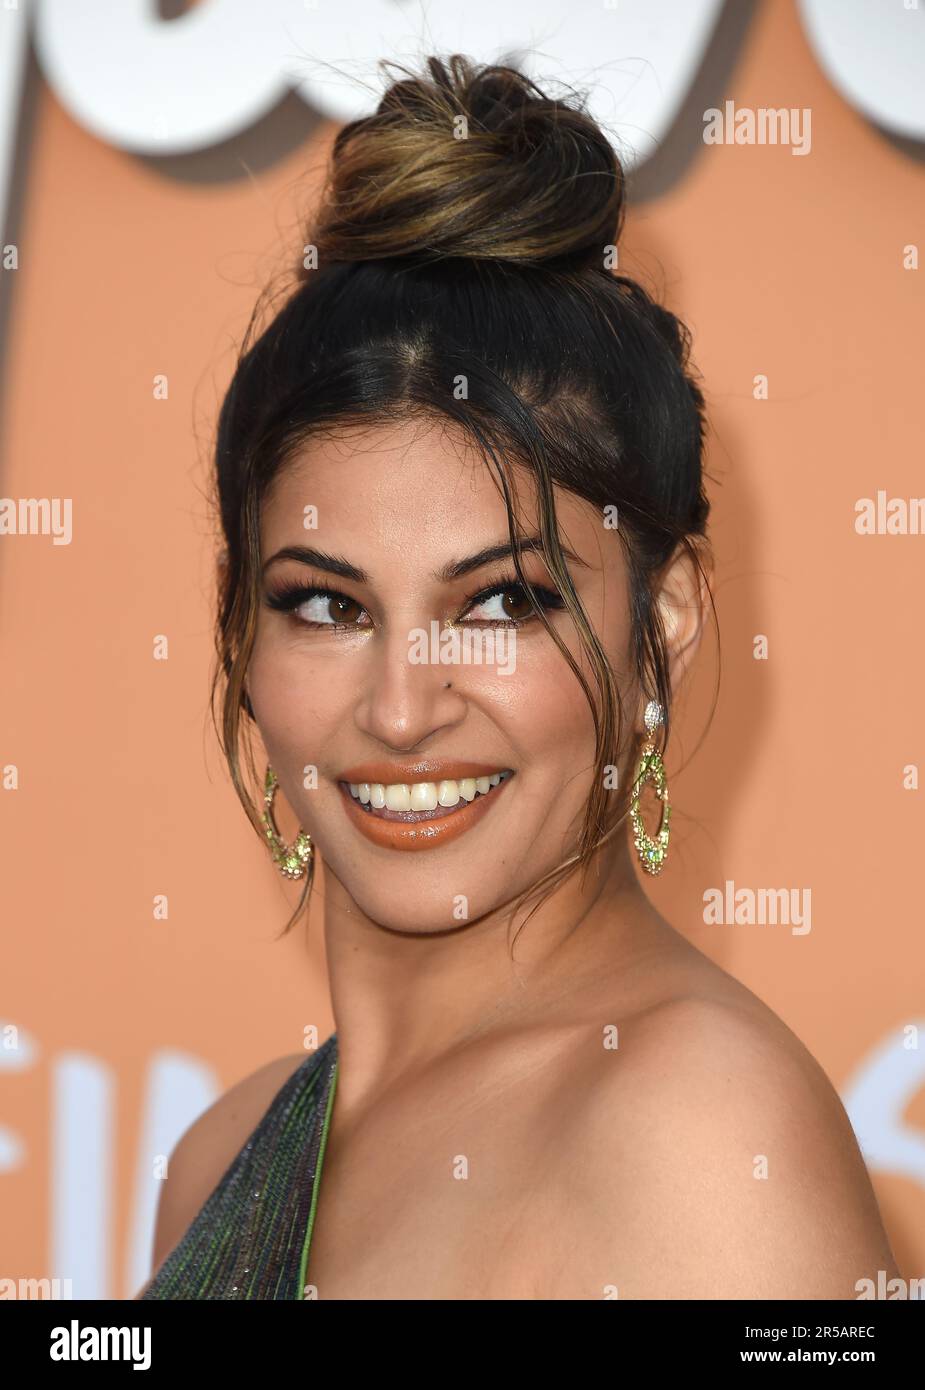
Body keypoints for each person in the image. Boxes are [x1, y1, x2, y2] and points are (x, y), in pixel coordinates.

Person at [137, 53, 899, 1300]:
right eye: (324, 604)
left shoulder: (701, 1134)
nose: (399, 708)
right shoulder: (221, 1157)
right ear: (237, 637)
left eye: (501, 601)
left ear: (665, 617)